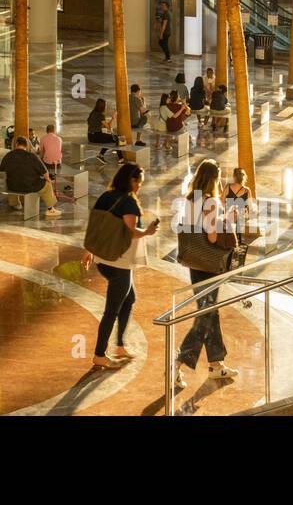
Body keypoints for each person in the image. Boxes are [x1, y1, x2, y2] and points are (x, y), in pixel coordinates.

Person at [81, 163, 159, 370]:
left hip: (103, 259)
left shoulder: (105, 196)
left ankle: (120, 345)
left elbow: (97, 226)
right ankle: (99, 354)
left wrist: (89, 250)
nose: (139, 186)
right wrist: (148, 232)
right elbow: (131, 231)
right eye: (137, 182)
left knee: (130, 298)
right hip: (120, 261)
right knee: (111, 311)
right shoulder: (129, 203)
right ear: (130, 180)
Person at [174, 158, 241, 389]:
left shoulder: (190, 199)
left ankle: (216, 364)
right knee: (206, 314)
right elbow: (212, 236)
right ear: (214, 178)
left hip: (194, 261)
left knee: (211, 312)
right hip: (209, 263)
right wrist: (227, 218)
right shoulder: (211, 202)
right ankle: (179, 361)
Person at [0, 135, 61, 219]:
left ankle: (14, 203)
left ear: (16, 144)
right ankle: (50, 209)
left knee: (12, 182)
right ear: (26, 145)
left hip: (12, 186)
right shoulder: (32, 156)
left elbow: (2, 170)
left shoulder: (8, 155)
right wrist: (48, 180)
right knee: (47, 185)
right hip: (30, 186)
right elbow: (44, 172)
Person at [87, 98, 119, 162]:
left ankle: (101, 154)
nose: (106, 107)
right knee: (117, 138)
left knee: (111, 138)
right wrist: (113, 118)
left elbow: (105, 125)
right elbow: (109, 127)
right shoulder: (100, 115)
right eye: (105, 105)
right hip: (96, 136)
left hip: (90, 136)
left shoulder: (93, 113)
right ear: (102, 106)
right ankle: (121, 158)